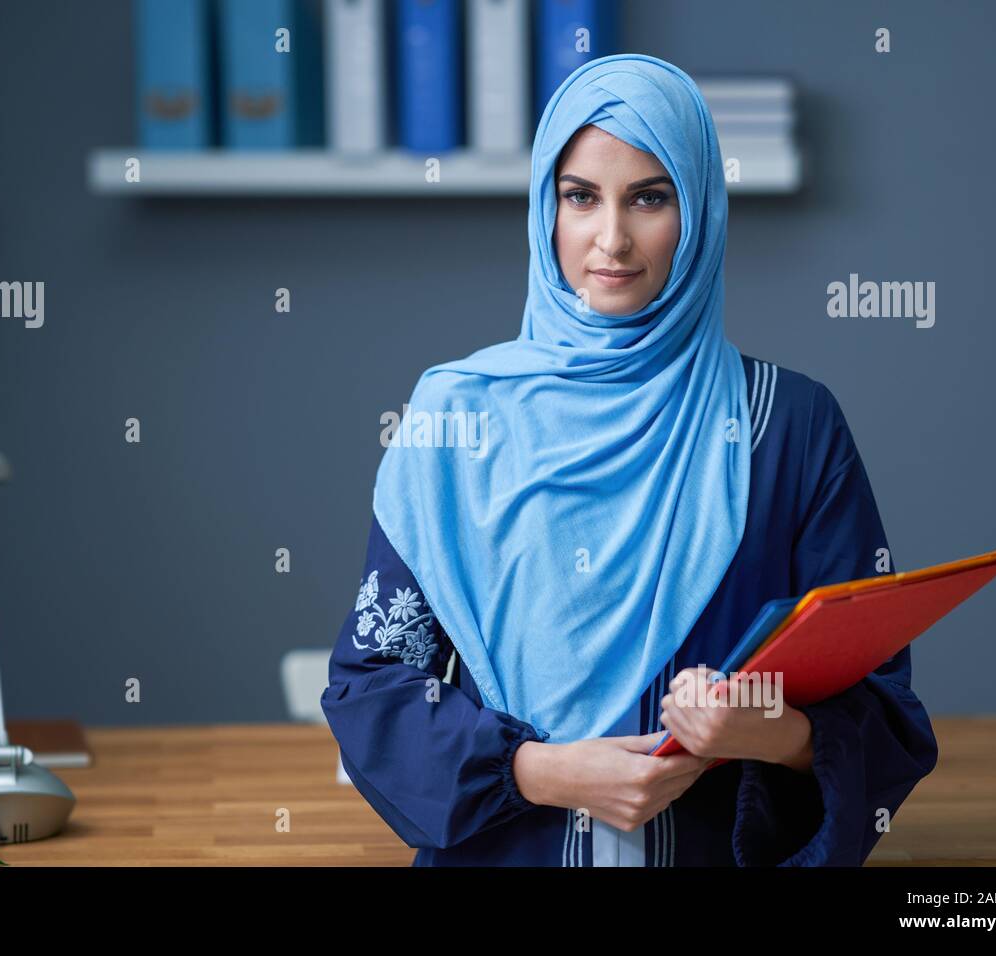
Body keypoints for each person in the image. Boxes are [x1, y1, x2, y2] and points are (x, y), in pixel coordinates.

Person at [321, 54, 938, 866]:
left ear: (702, 212)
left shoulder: (788, 426)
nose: (610, 239)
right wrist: (537, 772)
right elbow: (374, 689)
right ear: (547, 208)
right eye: (581, 197)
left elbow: (885, 708)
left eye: (649, 197)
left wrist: (775, 733)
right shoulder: (456, 417)